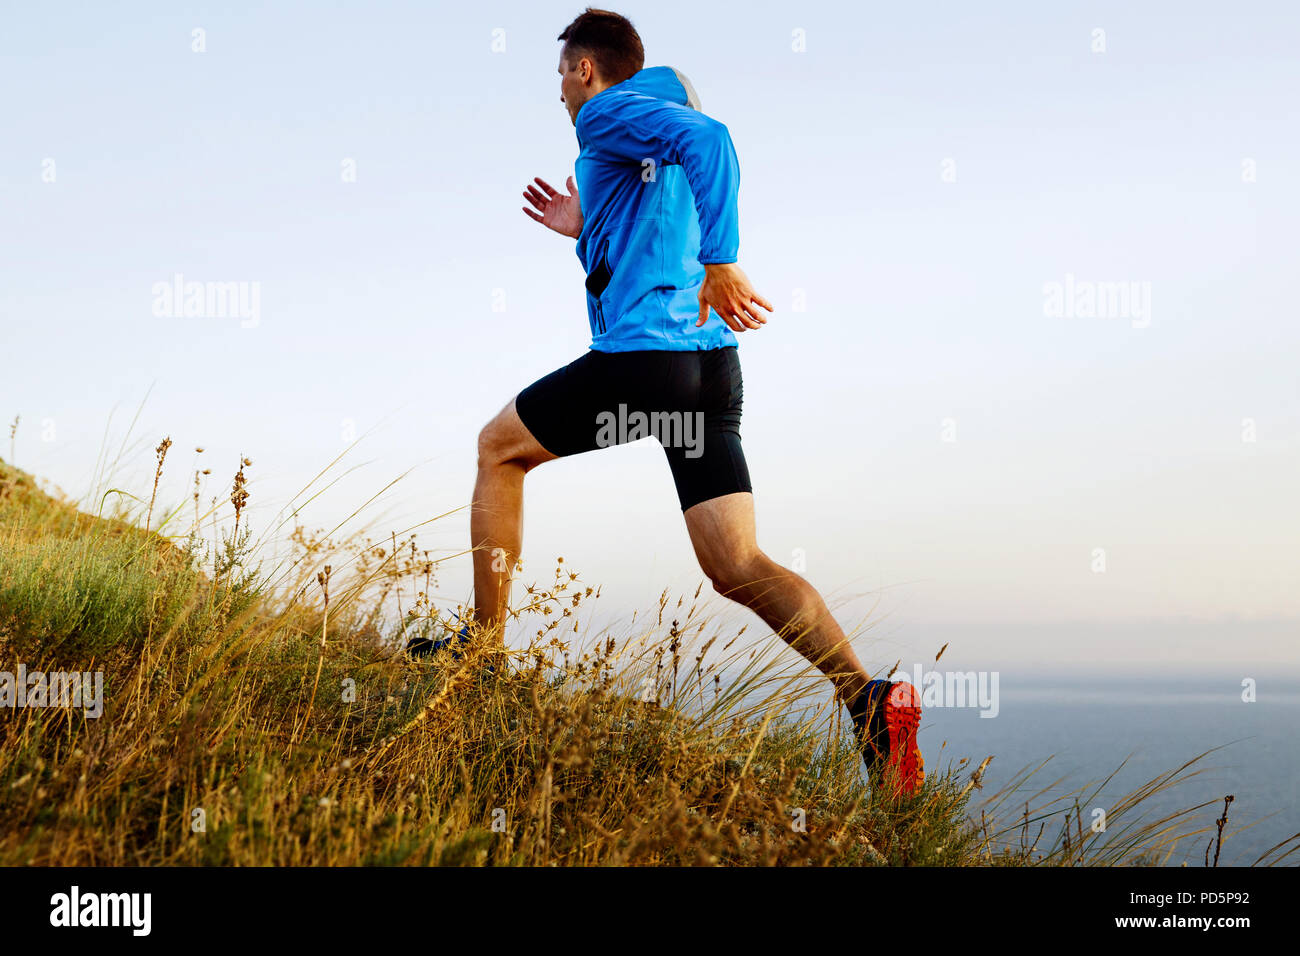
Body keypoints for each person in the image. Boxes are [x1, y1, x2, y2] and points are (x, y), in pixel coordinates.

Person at [411, 8, 922, 794]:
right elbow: (665, 199)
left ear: (587, 69)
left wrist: (722, 260)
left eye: (560, 78)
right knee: (737, 564)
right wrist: (586, 225)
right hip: (709, 371)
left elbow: (714, 147)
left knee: (497, 449)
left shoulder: (608, 113)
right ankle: (867, 699)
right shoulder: (662, 117)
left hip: (647, 364)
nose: (559, 96)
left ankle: (482, 658)